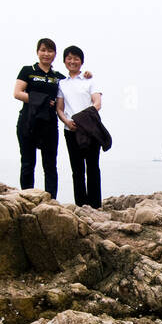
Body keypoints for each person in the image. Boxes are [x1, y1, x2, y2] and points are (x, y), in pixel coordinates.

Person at [13, 39, 65, 199]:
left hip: (49, 124)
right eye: (43, 50)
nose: (46, 54)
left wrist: (86, 75)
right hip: (28, 122)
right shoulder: (28, 70)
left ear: (55, 54)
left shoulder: (58, 77)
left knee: (50, 165)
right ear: (38, 52)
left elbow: (75, 85)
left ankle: (51, 201)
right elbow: (17, 93)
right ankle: (27, 199)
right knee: (28, 163)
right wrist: (42, 100)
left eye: (50, 51)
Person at [56, 45, 105, 208]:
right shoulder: (61, 83)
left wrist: (83, 118)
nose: (72, 61)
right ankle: (81, 205)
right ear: (64, 61)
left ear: (81, 61)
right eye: (69, 58)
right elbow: (59, 108)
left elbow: (97, 103)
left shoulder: (89, 80)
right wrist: (66, 121)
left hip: (90, 129)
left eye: (76, 58)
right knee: (77, 170)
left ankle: (95, 205)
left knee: (92, 167)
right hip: (71, 130)